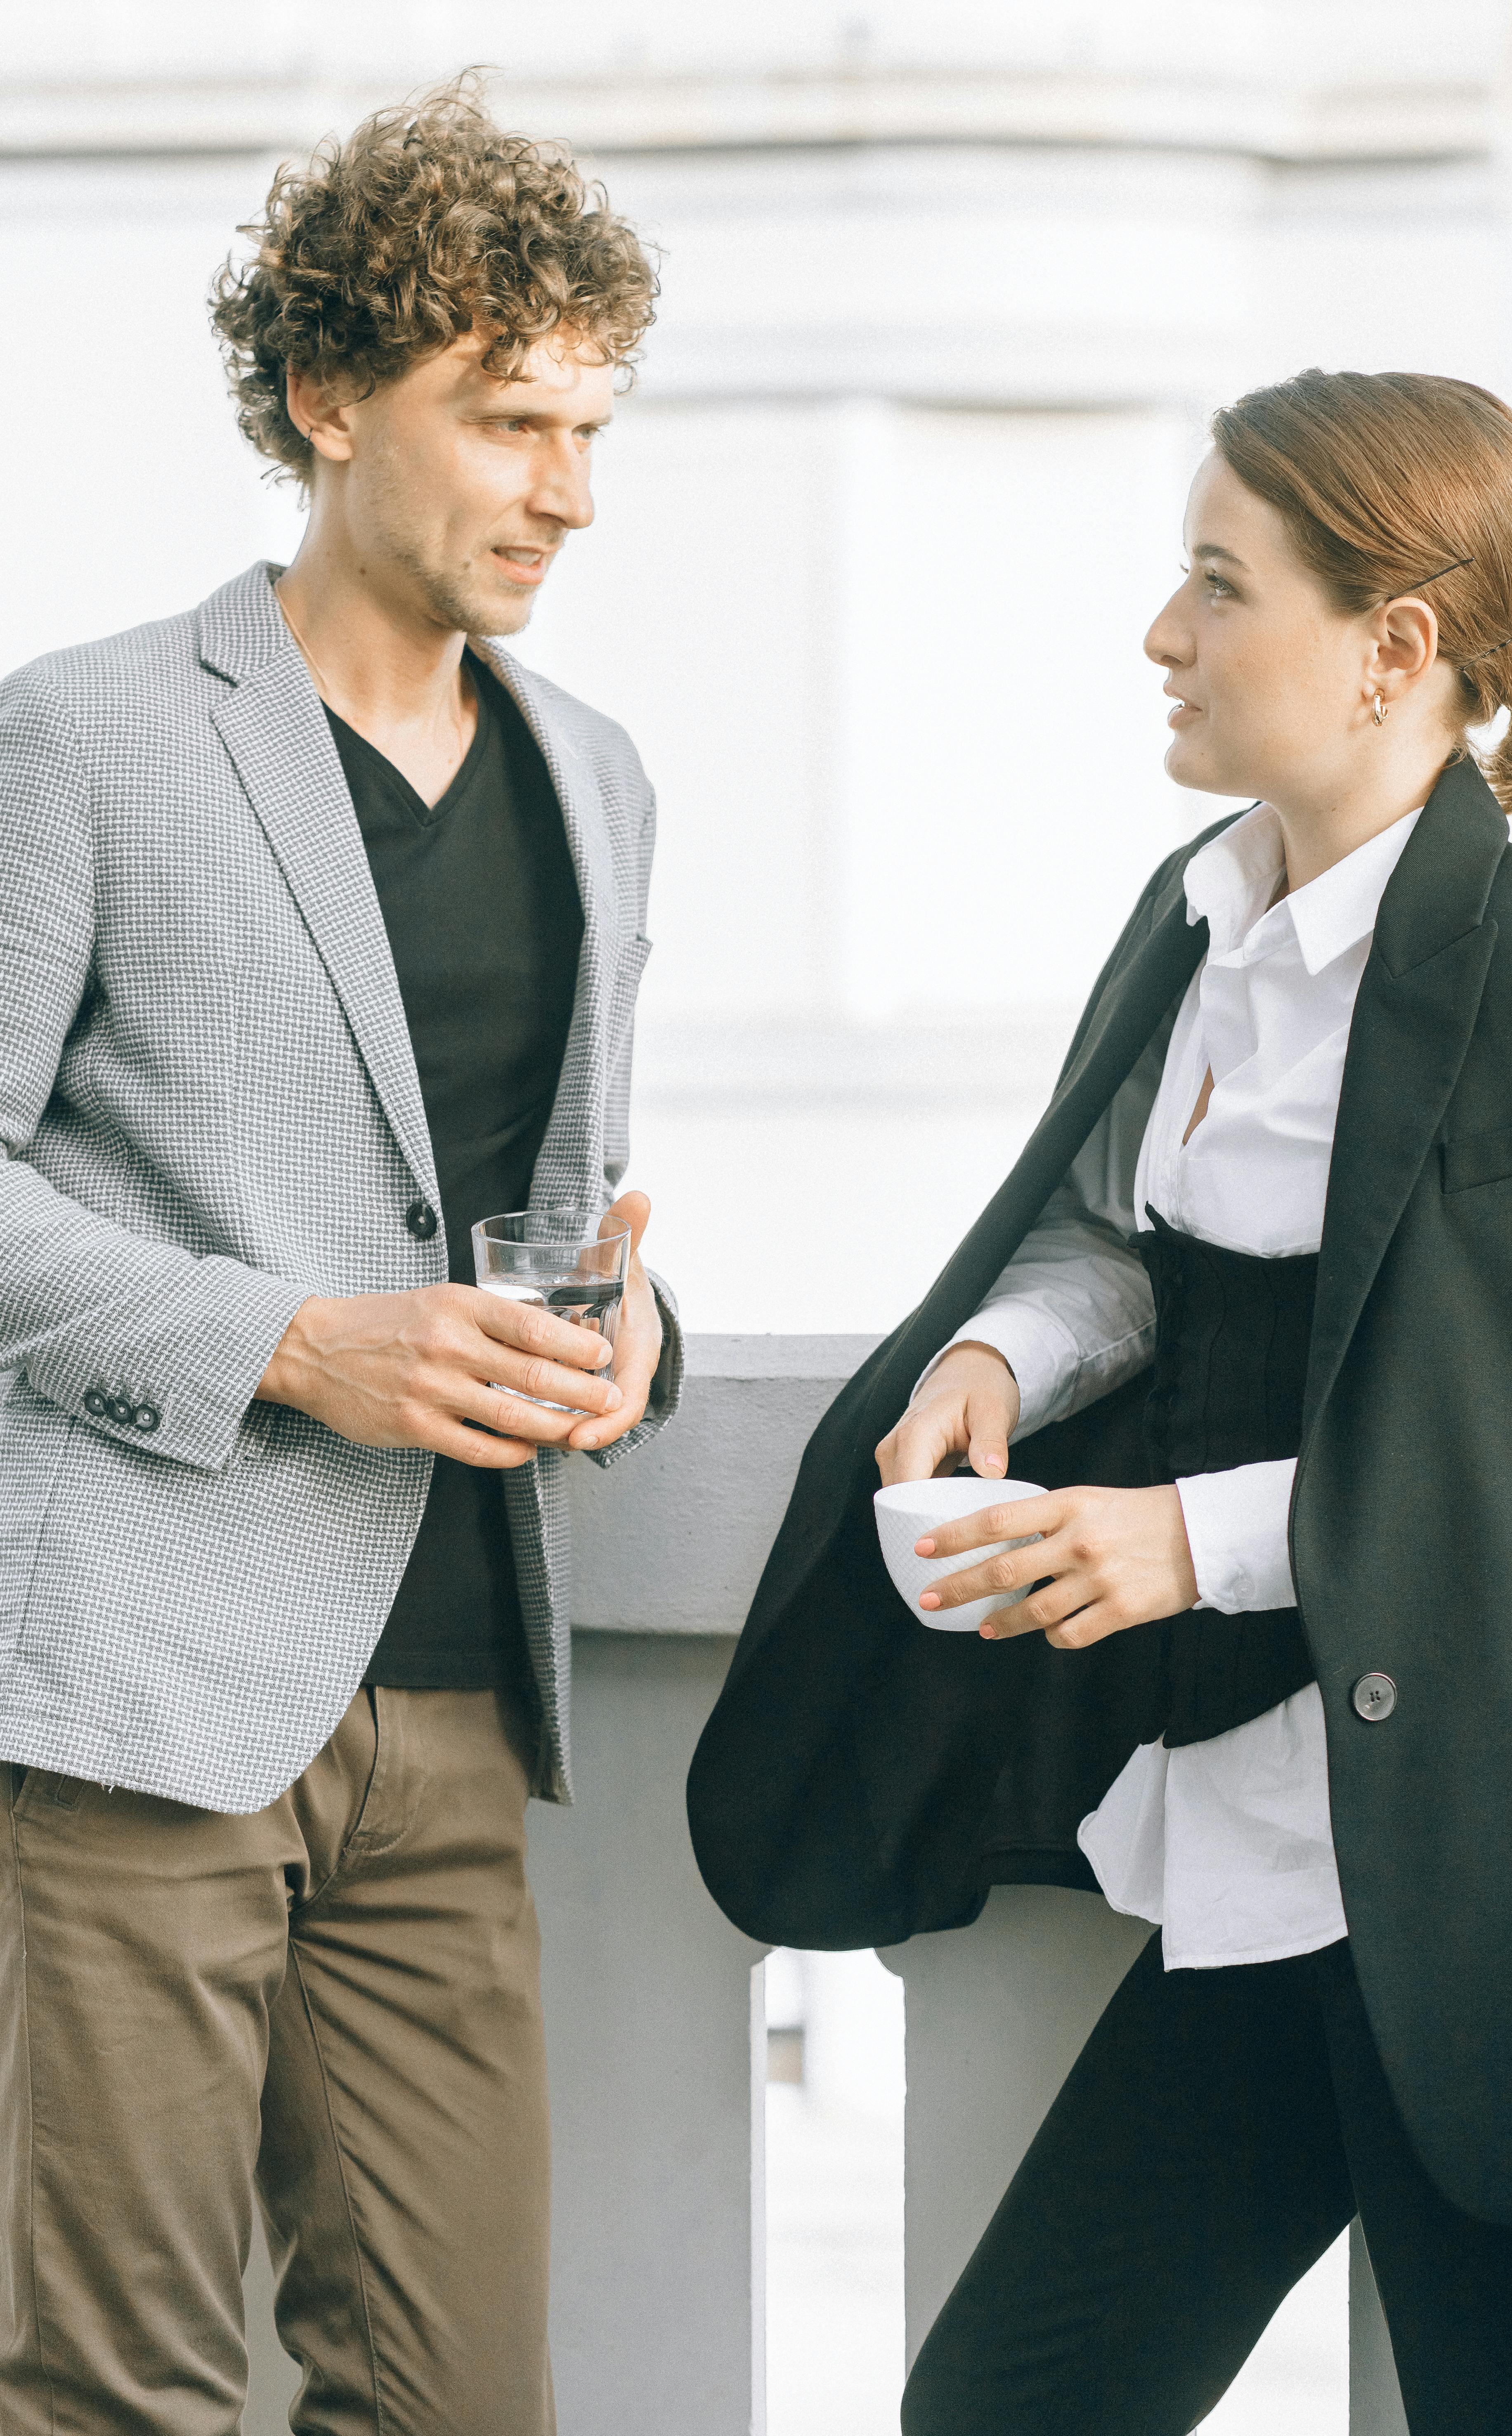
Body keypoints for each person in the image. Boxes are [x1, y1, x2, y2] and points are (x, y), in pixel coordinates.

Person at [687, 368, 1512, 2434]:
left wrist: (1181, 1541)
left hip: (1502, 1904)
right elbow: (1122, 1233)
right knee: (1006, 2413)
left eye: (1218, 582)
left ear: (1396, 649)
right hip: (1268, 1867)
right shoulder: (1204, 925)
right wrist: (1000, 1349)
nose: (1162, 633)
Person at [0, 80, 678, 2436]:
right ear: (322, 398)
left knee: (458, 2398)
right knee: (116, 2398)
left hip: (463, 1690)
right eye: (508, 422)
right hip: (136, 1702)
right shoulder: (83, 735)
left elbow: (565, 1195)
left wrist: (633, 1338)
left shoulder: (598, 768)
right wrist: (295, 1345)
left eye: (591, 426)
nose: (567, 492)